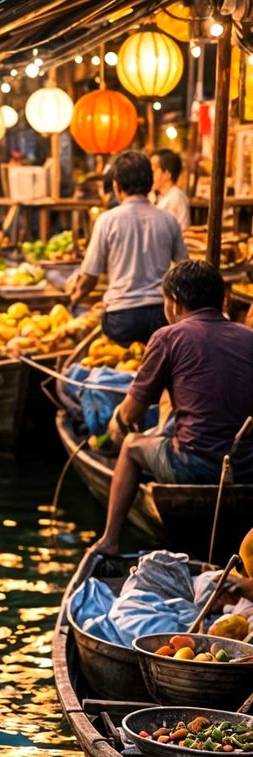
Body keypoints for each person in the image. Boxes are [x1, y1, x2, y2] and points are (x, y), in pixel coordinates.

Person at [91, 260, 253, 555]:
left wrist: (115, 427)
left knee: (131, 445)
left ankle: (110, 540)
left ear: (175, 302)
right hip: (246, 466)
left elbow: (131, 413)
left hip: (198, 466)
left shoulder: (168, 337)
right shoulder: (248, 337)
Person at [67, 149, 188, 346]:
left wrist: (75, 297)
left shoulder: (107, 221)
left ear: (117, 186)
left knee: (119, 362)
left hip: (121, 318)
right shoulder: (168, 220)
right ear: (150, 183)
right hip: (161, 316)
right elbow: (184, 268)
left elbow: (90, 276)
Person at [151, 148, 191, 232]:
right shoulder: (163, 196)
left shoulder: (176, 197)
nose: (150, 175)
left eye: (153, 171)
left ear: (167, 174)